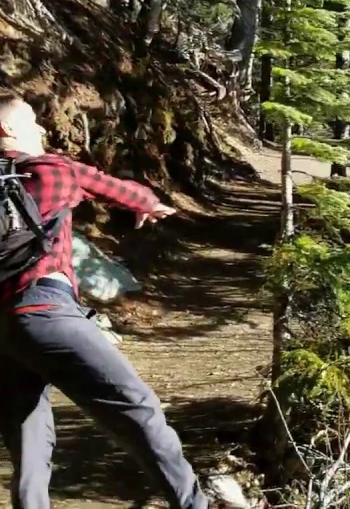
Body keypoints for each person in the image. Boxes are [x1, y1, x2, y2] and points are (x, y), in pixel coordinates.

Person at [0, 92, 210, 509]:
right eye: (31, 121)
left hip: (3, 331)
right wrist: (148, 202)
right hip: (46, 309)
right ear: (7, 130)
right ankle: (193, 505)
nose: (42, 129)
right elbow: (106, 184)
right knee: (139, 406)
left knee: (29, 436)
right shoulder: (51, 170)